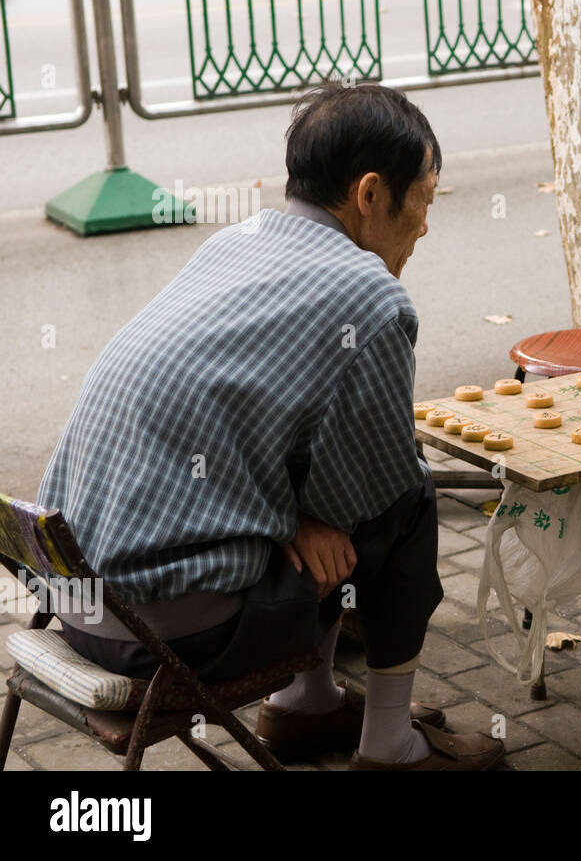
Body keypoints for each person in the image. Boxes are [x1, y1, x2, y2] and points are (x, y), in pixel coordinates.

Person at [39, 81, 503, 770]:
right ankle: (389, 744)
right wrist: (304, 518)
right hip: (161, 634)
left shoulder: (239, 240)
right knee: (408, 499)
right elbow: (372, 486)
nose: (426, 224)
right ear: (372, 194)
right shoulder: (371, 295)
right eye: (425, 198)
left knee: (318, 505)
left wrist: (296, 516)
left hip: (72, 597)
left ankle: (304, 705)